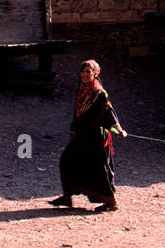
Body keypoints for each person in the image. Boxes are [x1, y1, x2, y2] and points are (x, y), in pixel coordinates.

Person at [51, 59, 125, 212]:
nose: (85, 75)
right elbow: (77, 114)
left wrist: (118, 128)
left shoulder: (99, 93)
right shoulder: (82, 90)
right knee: (67, 160)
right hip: (81, 134)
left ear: (95, 73)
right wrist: (73, 131)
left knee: (99, 168)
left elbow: (108, 112)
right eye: (83, 72)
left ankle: (110, 201)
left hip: (96, 137)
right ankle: (68, 195)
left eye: (88, 72)